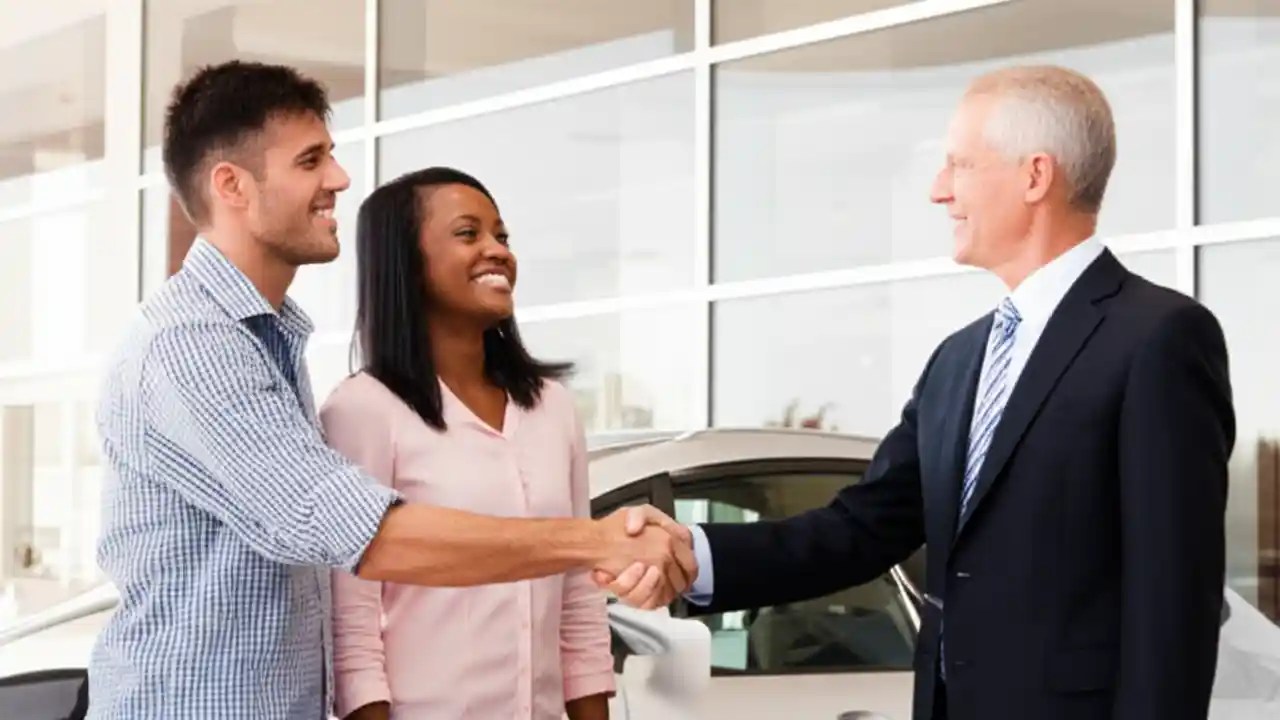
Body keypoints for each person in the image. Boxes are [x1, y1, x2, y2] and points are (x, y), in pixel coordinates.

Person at [603, 65, 1235, 720]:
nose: (939, 191)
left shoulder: (1158, 338)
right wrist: (693, 553)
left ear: (1035, 176)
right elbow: (863, 529)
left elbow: (1173, 603)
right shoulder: (958, 359)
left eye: (959, 165)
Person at [89, 60, 692, 720]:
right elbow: (361, 537)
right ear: (232, 185)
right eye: (310, 160)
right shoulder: (194, 346)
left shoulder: (265, 342)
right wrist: (596, 540)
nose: (338, 180)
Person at [319, 167, 614, 720]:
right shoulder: (363, 410)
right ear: (407, 260)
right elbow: (352, 627)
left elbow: (579, 598)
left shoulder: (552, 408)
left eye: (501, 236)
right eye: (468, 233)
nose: (496, 251)